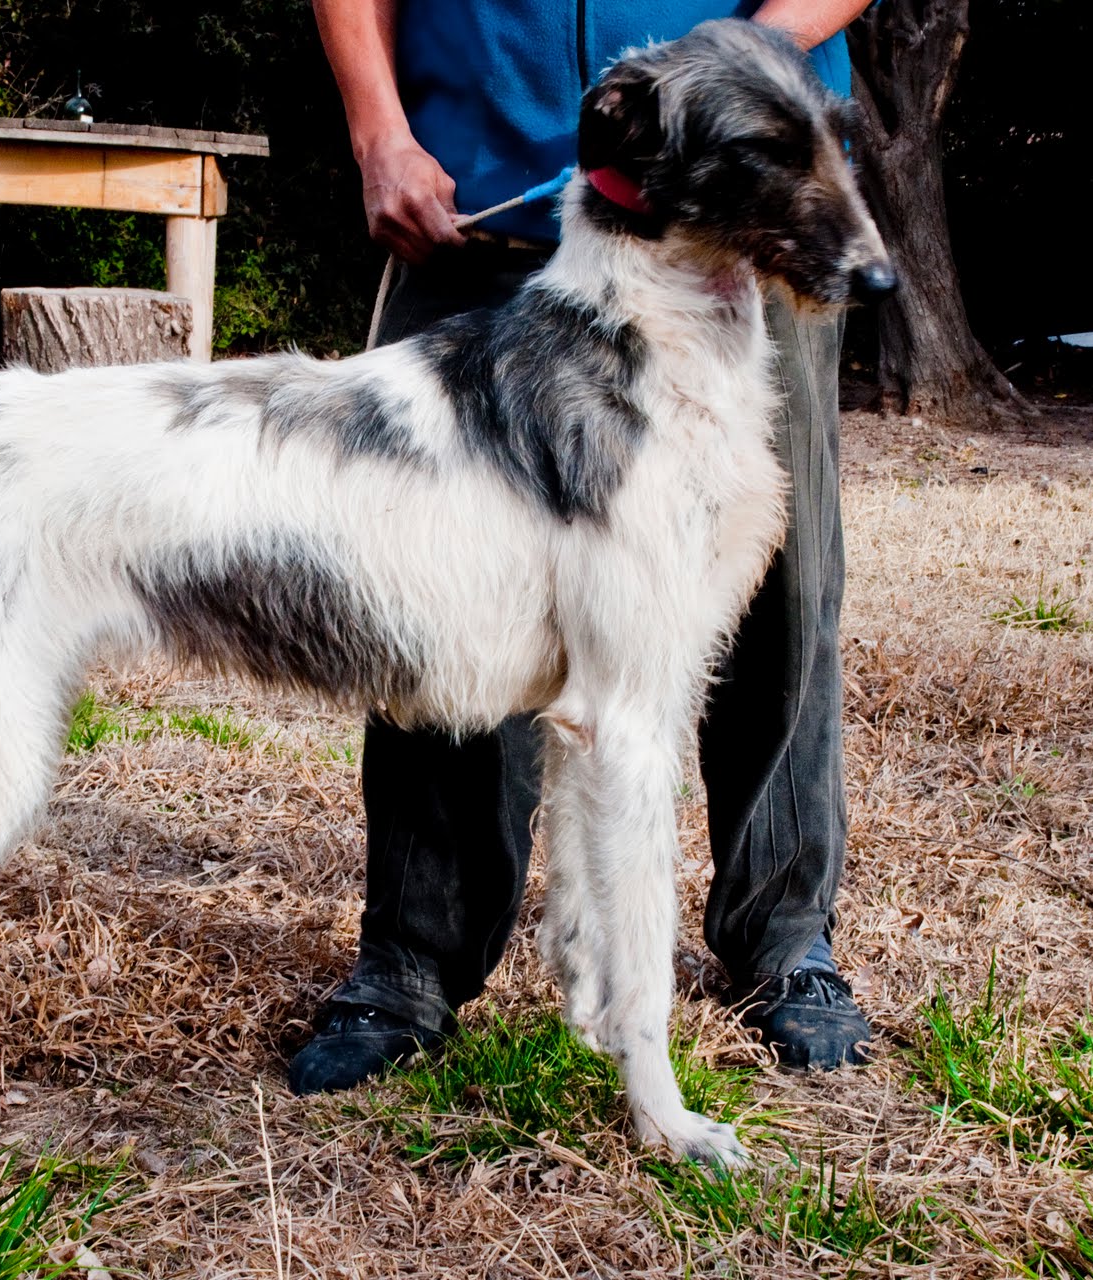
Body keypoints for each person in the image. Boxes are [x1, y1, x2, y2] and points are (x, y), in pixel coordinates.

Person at [290, 0, 878, 1095]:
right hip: (469, 199)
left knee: (774, 598)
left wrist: (732, 81)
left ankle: (783, 937)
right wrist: (379, 131)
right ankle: (414, 957)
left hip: (736, 196)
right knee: (435, 590)